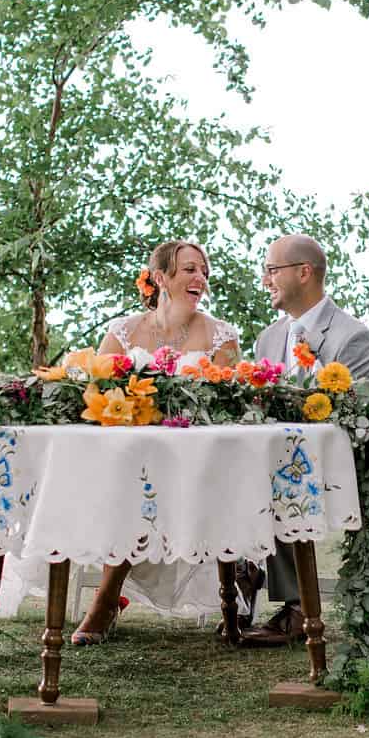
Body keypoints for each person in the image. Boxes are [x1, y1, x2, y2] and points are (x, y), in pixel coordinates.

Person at [70, 240, 241, 645]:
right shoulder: (124, 331)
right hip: (128, 456)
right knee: (133, 479)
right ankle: (108, 598)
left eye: (204, 271)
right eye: (190, 270)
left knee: (142, 485)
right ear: (161, 278)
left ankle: (105, 602)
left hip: (198, 463)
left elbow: (228, 406)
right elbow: (97, 395)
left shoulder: (221, 336)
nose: (200, 278)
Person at [239, 232, 369, 647]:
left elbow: (355, 416)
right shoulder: (268, 338)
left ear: (304, 272)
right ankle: (242, 574)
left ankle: (297, 606)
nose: (265, 279)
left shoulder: (352, 337)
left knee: (281, 474)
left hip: (330, 464)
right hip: (272, 457)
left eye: (272, 270)